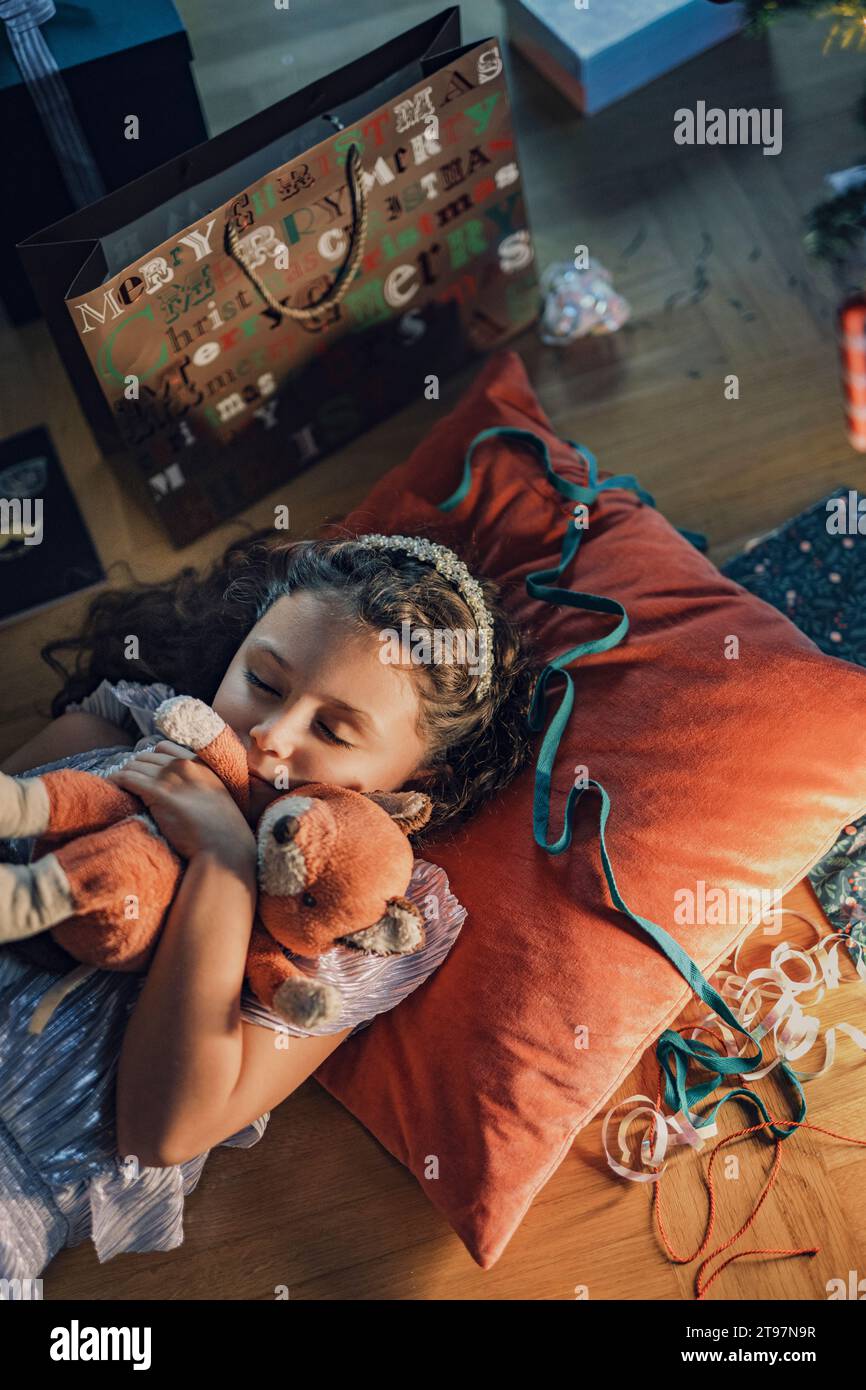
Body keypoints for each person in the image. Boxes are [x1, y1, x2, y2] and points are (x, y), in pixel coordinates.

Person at [0, 528, 539, 1279]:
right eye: (263, 681)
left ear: (421, 783)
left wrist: (223, 862)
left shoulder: (353, 922)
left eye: (332, 730)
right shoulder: (124, 725)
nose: (269, 736)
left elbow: (164, 1128)